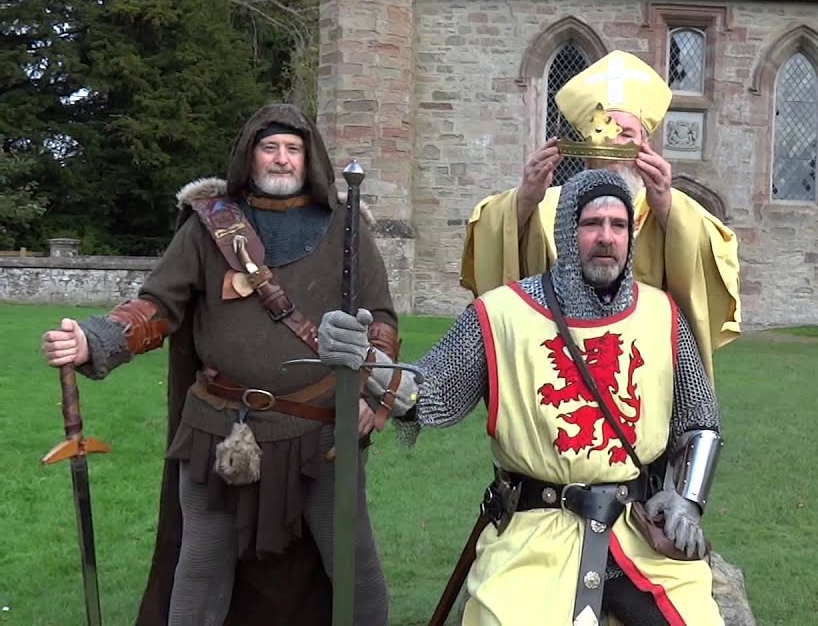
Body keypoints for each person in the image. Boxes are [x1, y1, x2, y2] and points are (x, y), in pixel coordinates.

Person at [40, 103, 406, 626]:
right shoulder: (209, 227)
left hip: (321, 430)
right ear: (250, 156)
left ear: (310, 159)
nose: (282, 160)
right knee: (200, 572)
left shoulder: (346, 228)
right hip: (218, 429)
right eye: (270, 147)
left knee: (355, 572)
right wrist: (94, 341)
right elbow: (157, 306)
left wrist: (375, 392)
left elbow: (380, 320)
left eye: (293, 149)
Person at [319, 169, 727, 625]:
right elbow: (429, 391)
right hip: (535, 534)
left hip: (634, 531)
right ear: (568, 233)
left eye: (618, 225)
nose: (607, 238)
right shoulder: (502, 313)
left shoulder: (661, 313)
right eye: (593, 224)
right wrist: (370, 362)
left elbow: (700, 421)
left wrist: (686, 500)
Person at [460, 49, 741, 383]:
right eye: (603, 131)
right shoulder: (548, 205)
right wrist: (524, 200)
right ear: (584, 144)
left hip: (645, 370)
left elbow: (714, 261)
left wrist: (665, 206)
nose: (613, 143)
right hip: (556, 365)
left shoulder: (672, 207)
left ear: (646, 144)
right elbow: (491, 239)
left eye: (626, 135)